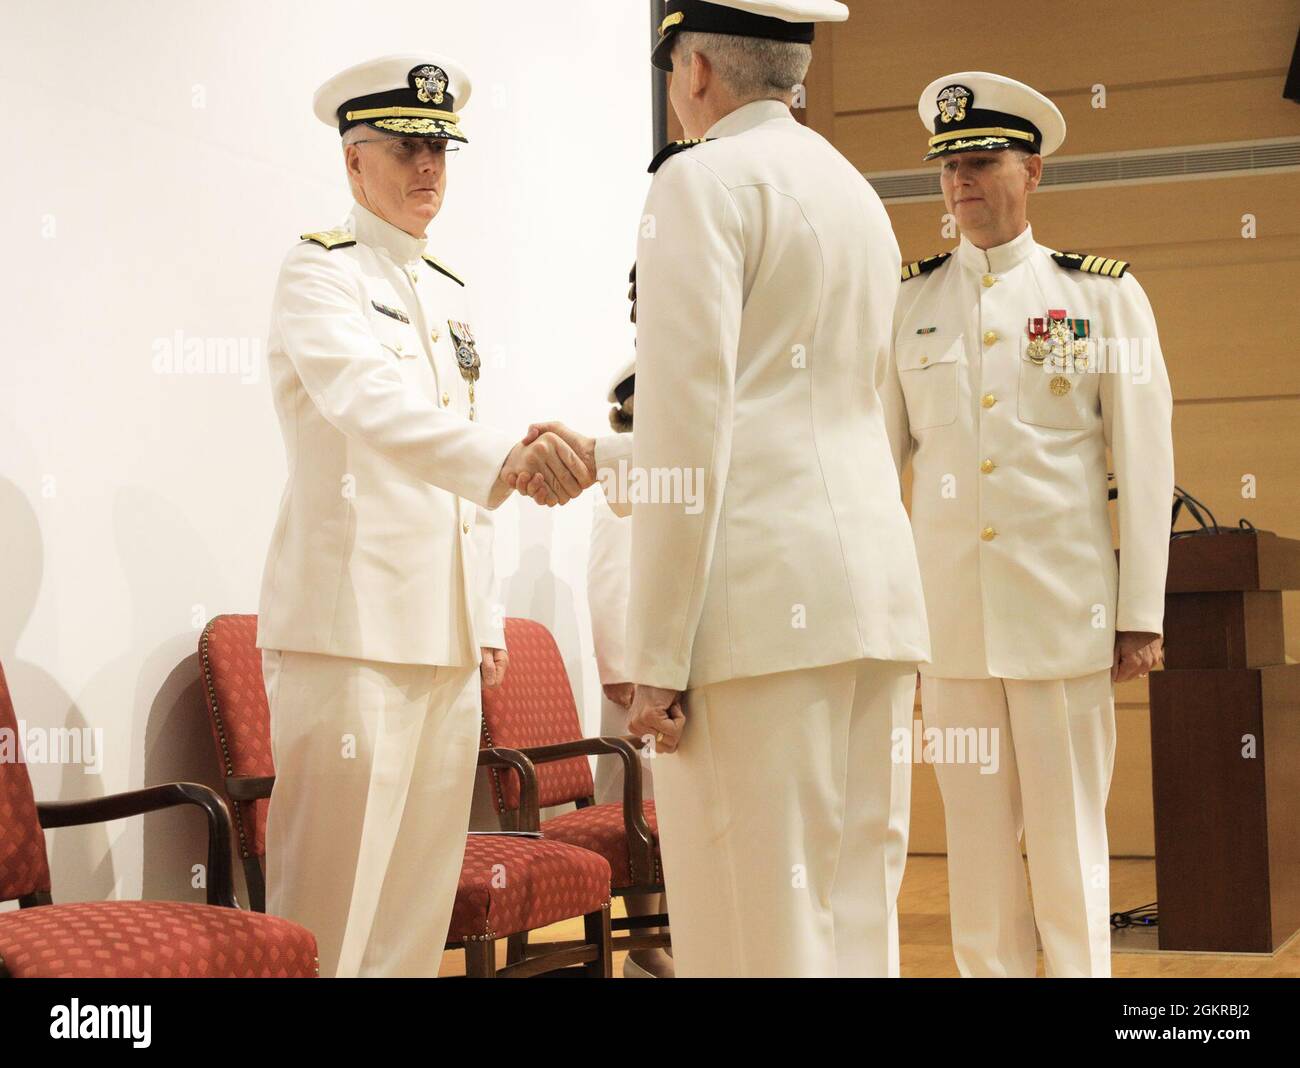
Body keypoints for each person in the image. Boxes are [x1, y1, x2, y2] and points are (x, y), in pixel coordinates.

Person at [533, 0, 932, 977]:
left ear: (696, 69)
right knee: (852, 919)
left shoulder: (698, 185)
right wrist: (604, 456)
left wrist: (658, 657)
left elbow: (692, 427)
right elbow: (811, 420)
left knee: (754, 929)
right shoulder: (855, 196)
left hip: (755, 620)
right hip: (870, 604)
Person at [256, 52, 592, 978]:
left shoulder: (445, 291)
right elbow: (370, 404)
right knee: (330, 907)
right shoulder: (316, 273)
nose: (428, 168)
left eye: (441, 147)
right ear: (353, 161)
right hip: (350, 633)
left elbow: (454, 455)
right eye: (405, 147)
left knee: (411, 907)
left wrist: (480, 616)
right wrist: (507, 464)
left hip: (440, 639)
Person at [881, 72, 1174, 977]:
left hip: (1065, 624)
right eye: (949, 166)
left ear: (1033, 172)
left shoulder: (1101, 296)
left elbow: (1147, 458)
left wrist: (1141, 614)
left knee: (1068, 845)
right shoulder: (908, 303)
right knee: (974, 854)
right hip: (955, 629)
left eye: (982, 161)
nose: (961, 182)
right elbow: (877, 465)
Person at [586, 356, 674, 978]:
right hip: (636, 676)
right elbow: (611, 574)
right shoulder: (624, 466)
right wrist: (619, 667)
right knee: (639, 817)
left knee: (672, 811)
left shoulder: (676, 465)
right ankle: (642, 948)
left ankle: (663, 940)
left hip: (670, 668)